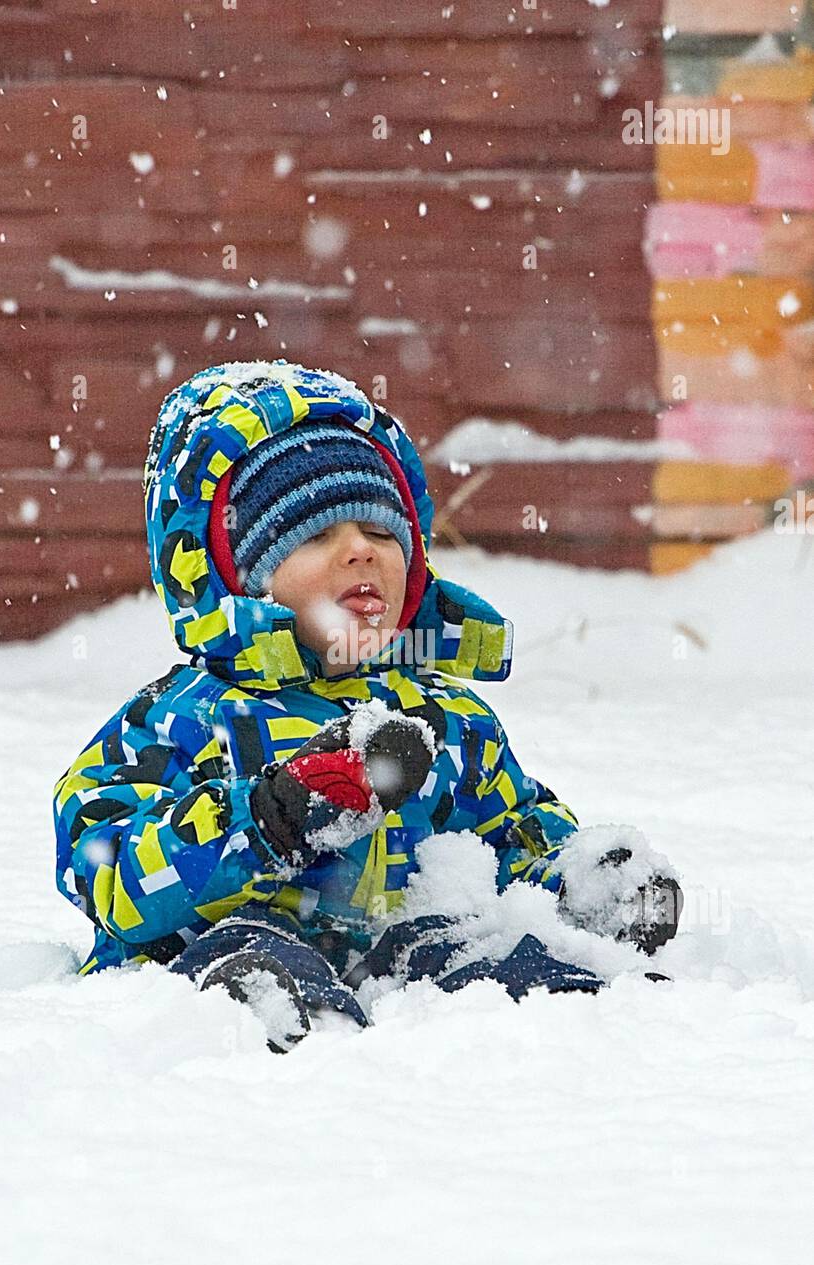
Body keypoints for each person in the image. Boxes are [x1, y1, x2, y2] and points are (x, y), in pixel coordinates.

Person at [53, 360, 682, 1052]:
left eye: (382, 533)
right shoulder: (181, 717)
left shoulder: (448, 717)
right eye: (316, 535)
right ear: (236, 576)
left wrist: (576, 885)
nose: (359, 552)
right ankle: (285, 1018)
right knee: (252, 958)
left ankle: (583, 1025)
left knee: (476, 951)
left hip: (409, 958)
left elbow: (511, 830)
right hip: (223, 948)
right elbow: (103, 868)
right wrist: (266, 818)